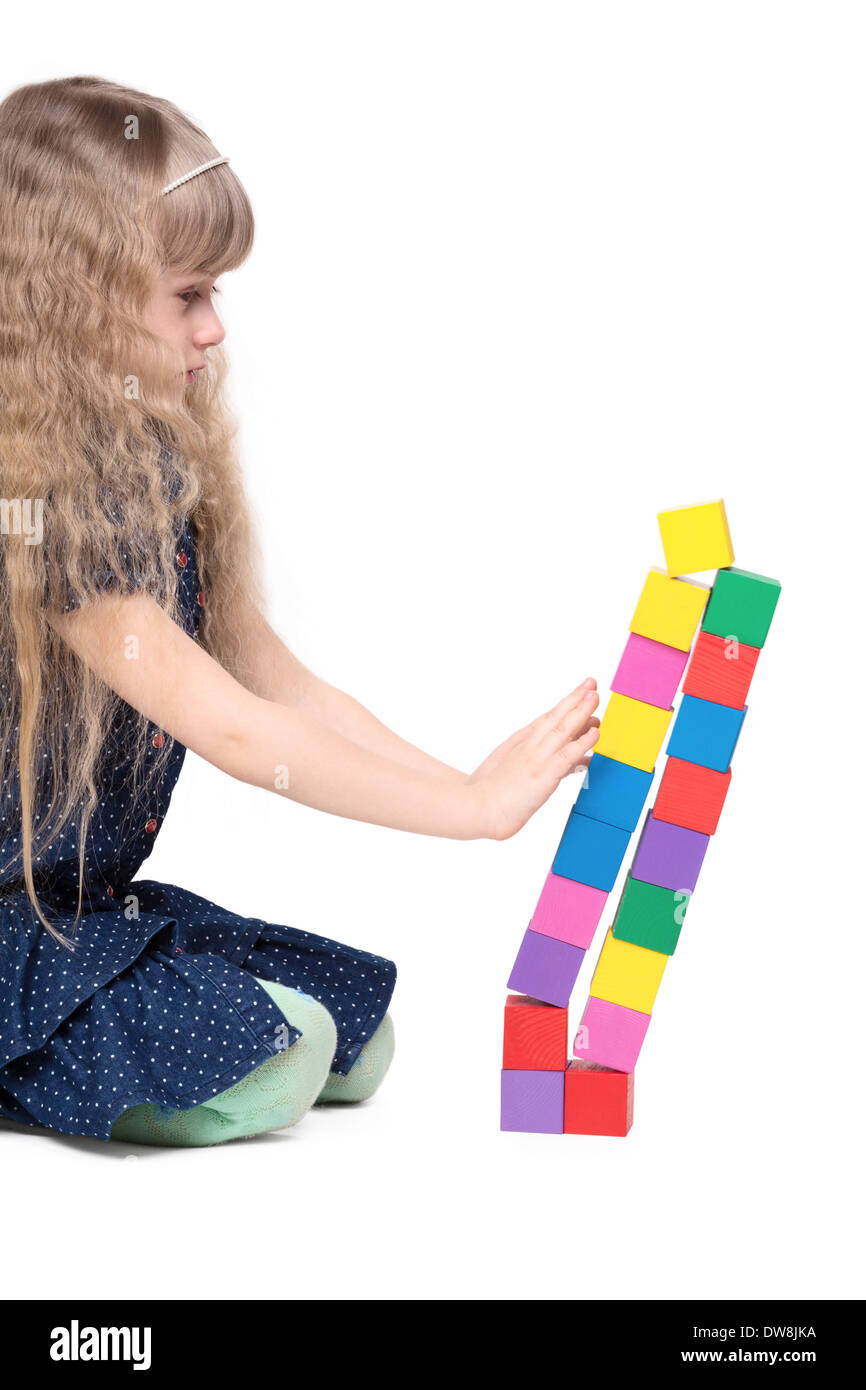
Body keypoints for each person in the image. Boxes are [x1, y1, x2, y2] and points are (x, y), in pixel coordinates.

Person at [0, 76, 599, 1147]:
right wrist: (467, 812)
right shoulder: (39, 511)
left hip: (75, 913)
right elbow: (231, 728)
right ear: (77, 298)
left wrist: (466, 783)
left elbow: (283, 687)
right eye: (187, 294)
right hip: (12, 932)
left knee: (356, 1040)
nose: (214, 327)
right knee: (278, 1063)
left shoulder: (151, 470)